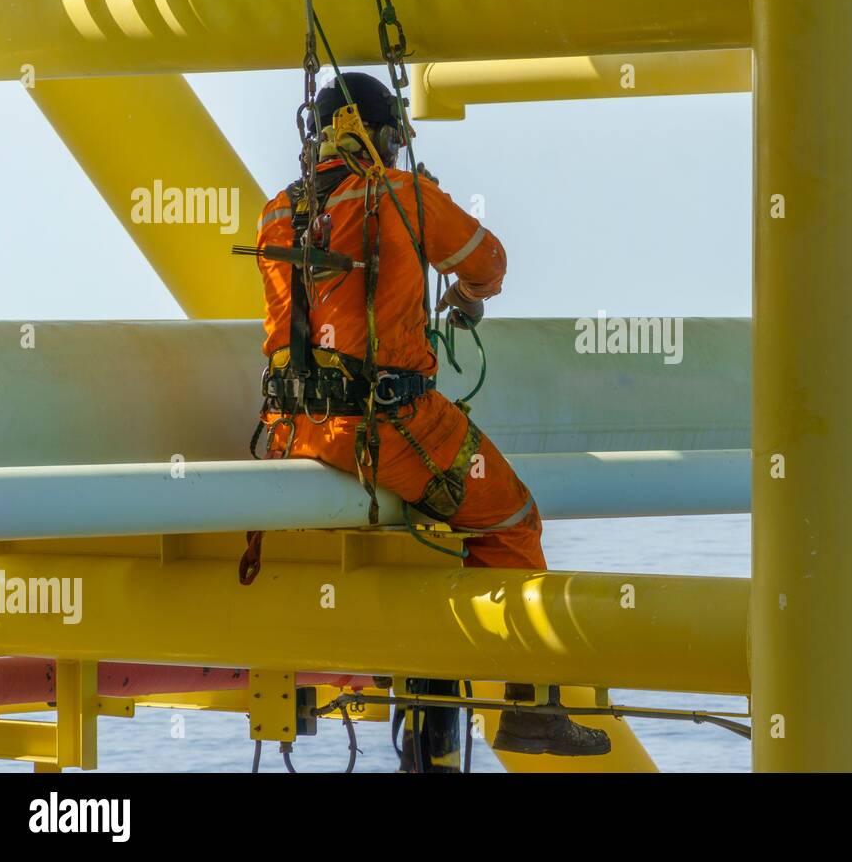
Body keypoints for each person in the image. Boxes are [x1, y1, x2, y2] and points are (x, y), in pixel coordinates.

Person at [252, 71, 609, 758]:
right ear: (381, 136)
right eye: (394, 136)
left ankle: (421, 660)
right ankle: (530, 703)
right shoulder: (403, 195)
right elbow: (489, 260)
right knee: (511, 520)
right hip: (389, 428)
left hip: (289, 432)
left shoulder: (277, 211)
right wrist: (467, 289)